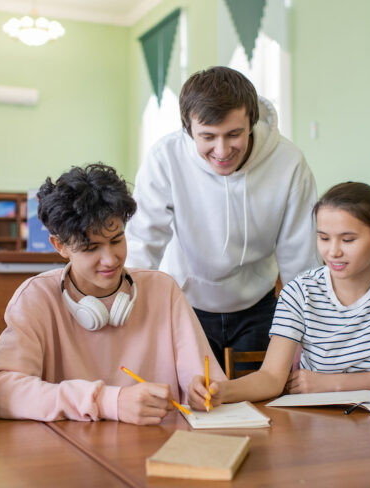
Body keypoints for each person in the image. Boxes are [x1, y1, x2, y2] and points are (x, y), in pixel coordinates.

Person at [0, 164, 224, 425]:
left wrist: (206, 391)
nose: (110, 259)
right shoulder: (36, 298)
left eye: (117, 240)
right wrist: (110, 402)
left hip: (157, 450)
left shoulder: (164, 291)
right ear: (60, 246)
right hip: (68, 455)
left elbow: (207, 382)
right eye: (91, 248)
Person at [126, 66, 319, 369]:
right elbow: (142, 244)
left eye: (234, 134)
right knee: (195, 403)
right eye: (208, 137)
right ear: (188, 130)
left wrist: (304, 334)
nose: (222, 150)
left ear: (251, 122)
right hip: (187, 304)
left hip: (259, 307)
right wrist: (127, 311)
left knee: (261, 403)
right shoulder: (165, 158)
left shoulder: (289, 162)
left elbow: (301, 258)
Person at [189, 182, 370, 408]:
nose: (333, 252)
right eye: (323, 238)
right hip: (319, 422)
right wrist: (222, 390)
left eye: (348, 239)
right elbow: (271, 376)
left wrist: (331, 384)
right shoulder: (300, 291)